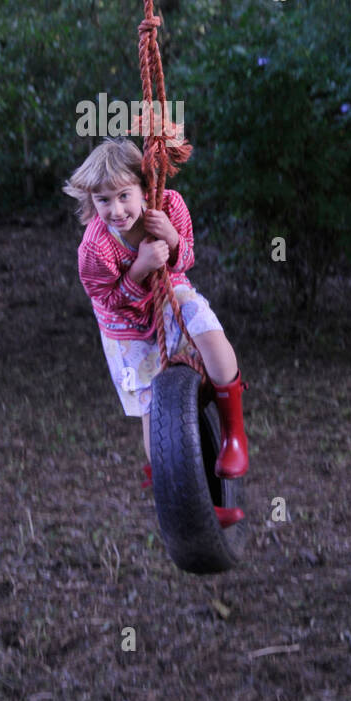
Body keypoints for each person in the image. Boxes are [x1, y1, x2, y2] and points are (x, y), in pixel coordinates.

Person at [63, 138, 248, 519]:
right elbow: (109, 300)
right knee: (153, 408)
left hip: (167, 293)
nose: (115, 210)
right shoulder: (95, 248)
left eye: (124, 196)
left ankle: (233, 432)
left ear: (145, 187)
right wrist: (140, 267)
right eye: (103, 200)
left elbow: (187, 258)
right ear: (91, 201)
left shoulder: (169, 206)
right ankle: (183, 499)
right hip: (125, 325)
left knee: (208, 332)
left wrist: (172, 238)